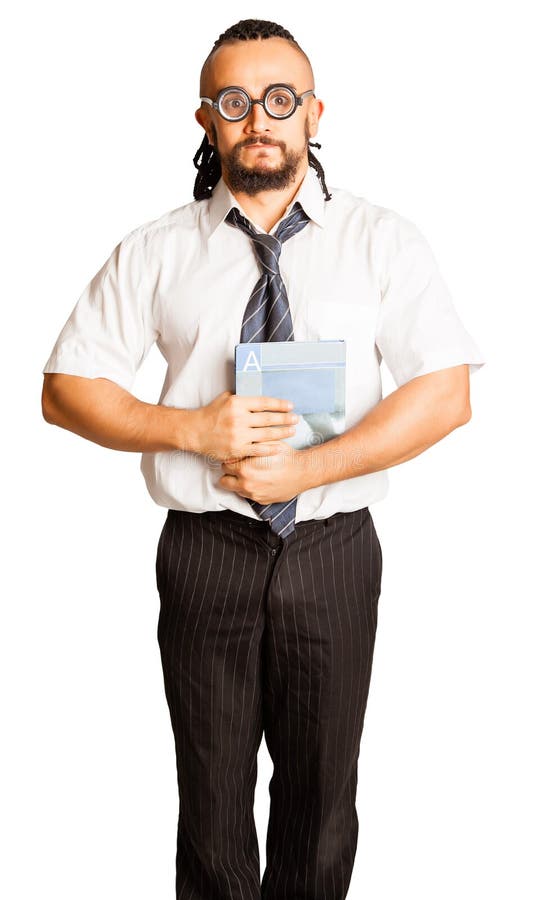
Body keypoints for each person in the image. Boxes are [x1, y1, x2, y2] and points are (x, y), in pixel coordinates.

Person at [41, 18, 486, 900]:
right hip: (207, 552)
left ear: (313, 113)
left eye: (280, 100)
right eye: (236, 101)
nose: (261, 119)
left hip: (332, 552)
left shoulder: (382, 242)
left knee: (322, 804)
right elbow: (66, 389)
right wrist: (190, 431)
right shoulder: (156, 250)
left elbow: (446, 393)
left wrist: (308, 474)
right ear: (206, 119)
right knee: (210, 807)